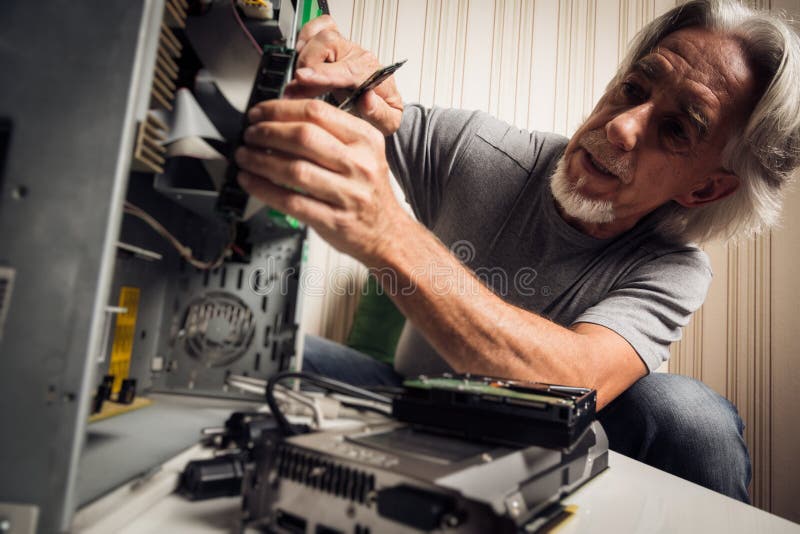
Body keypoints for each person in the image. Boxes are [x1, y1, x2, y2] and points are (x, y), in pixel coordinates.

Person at [233, 0, 800, 502]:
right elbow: (365, 111)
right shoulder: (480, 151)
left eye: (677, 129)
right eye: (634, 88)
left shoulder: (672, 268)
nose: (623, 128)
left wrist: (386, 233)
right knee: (259, 350)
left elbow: (570, 379)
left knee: (686, 414)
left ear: (704, 189)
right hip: (408, 401)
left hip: (549, 449)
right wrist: (323, 65)